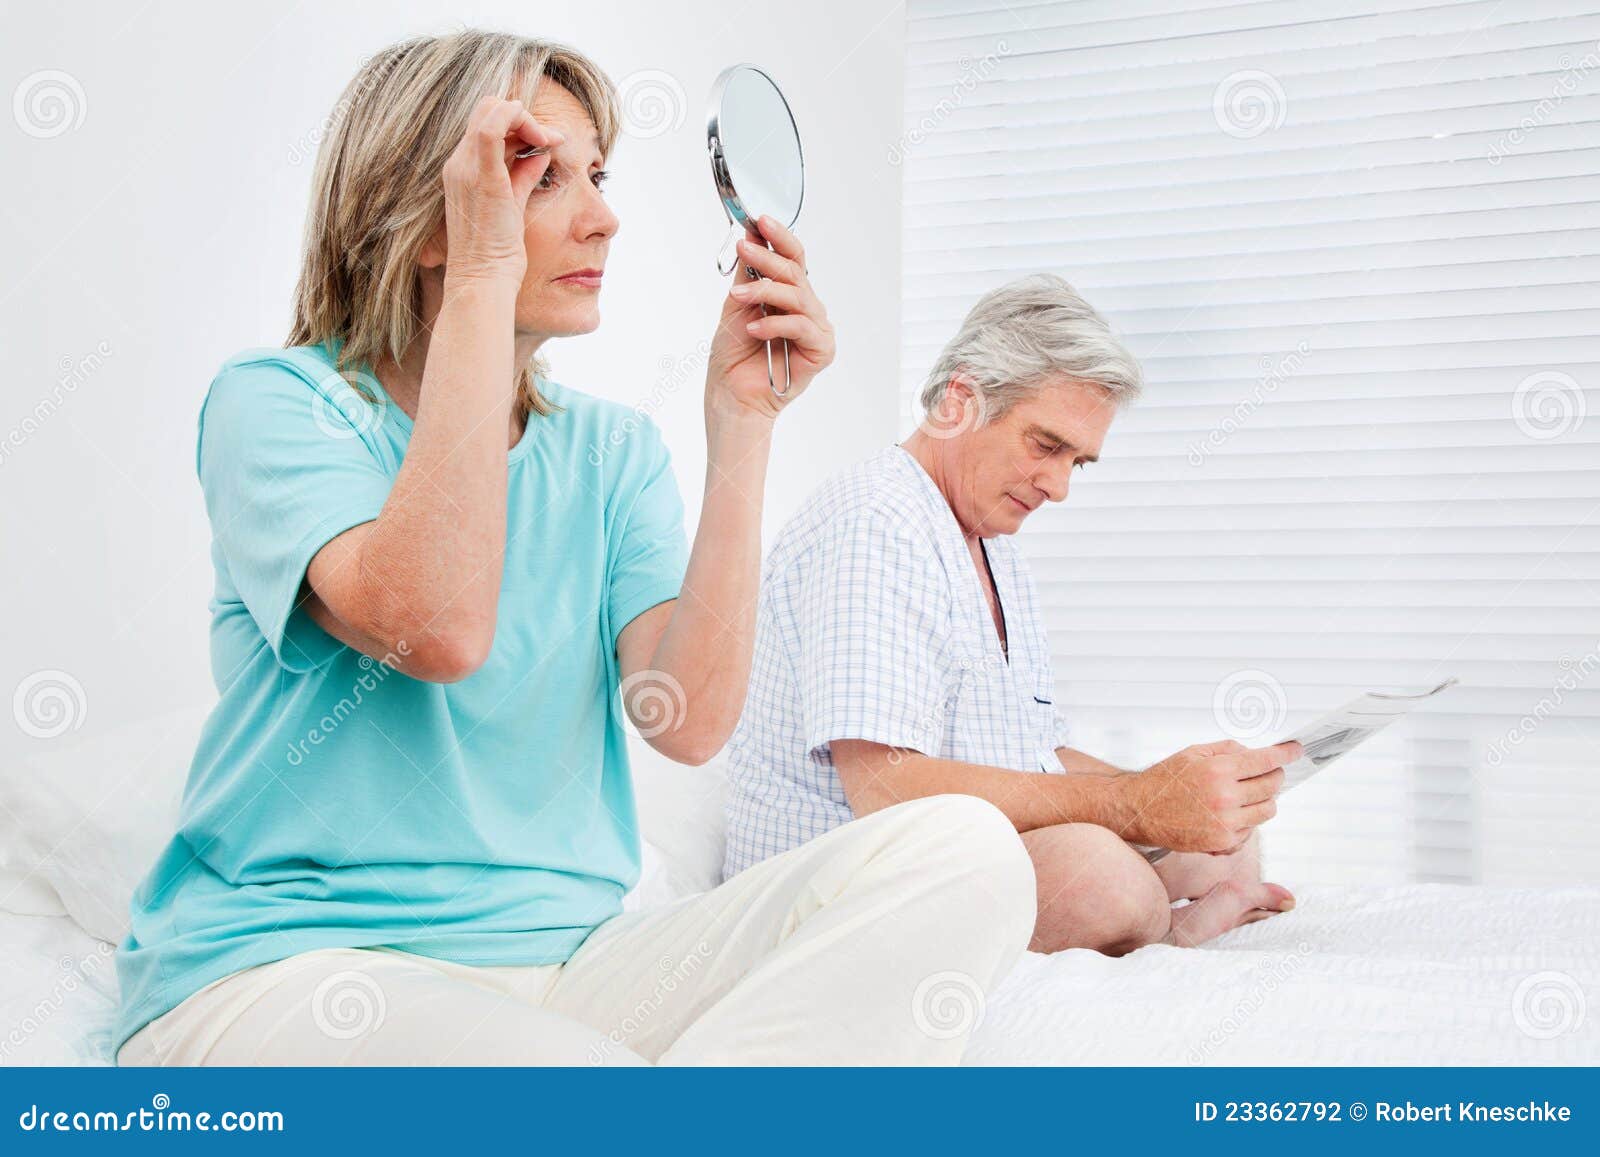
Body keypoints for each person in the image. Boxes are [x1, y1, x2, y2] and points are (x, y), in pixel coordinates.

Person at [113, 29, 1036, 1067]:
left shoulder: (607, 449)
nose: (604, 214)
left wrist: (743, 425)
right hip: (292, 970)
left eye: (595, 172)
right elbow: (438, 627)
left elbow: (686, 722)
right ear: (428, 220)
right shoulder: (279, 406)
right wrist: (477, 275)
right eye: (540, 175)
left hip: (570, 966)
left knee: (965, 851)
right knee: (582, 1085)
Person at [721, 273, 1301, 954]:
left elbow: (1036, 753)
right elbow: (885, 787)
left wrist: (1176, 792)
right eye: (1045, 445)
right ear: (961, 402)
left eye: (1077, 464)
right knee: (1107, 881)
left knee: (1224, 846)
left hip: (949, 857)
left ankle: (1174, 912)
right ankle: (1170, 933)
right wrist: (1132, 803)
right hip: (834, 890)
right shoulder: (873, 520)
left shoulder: (992, 544)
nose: (1057, 486)